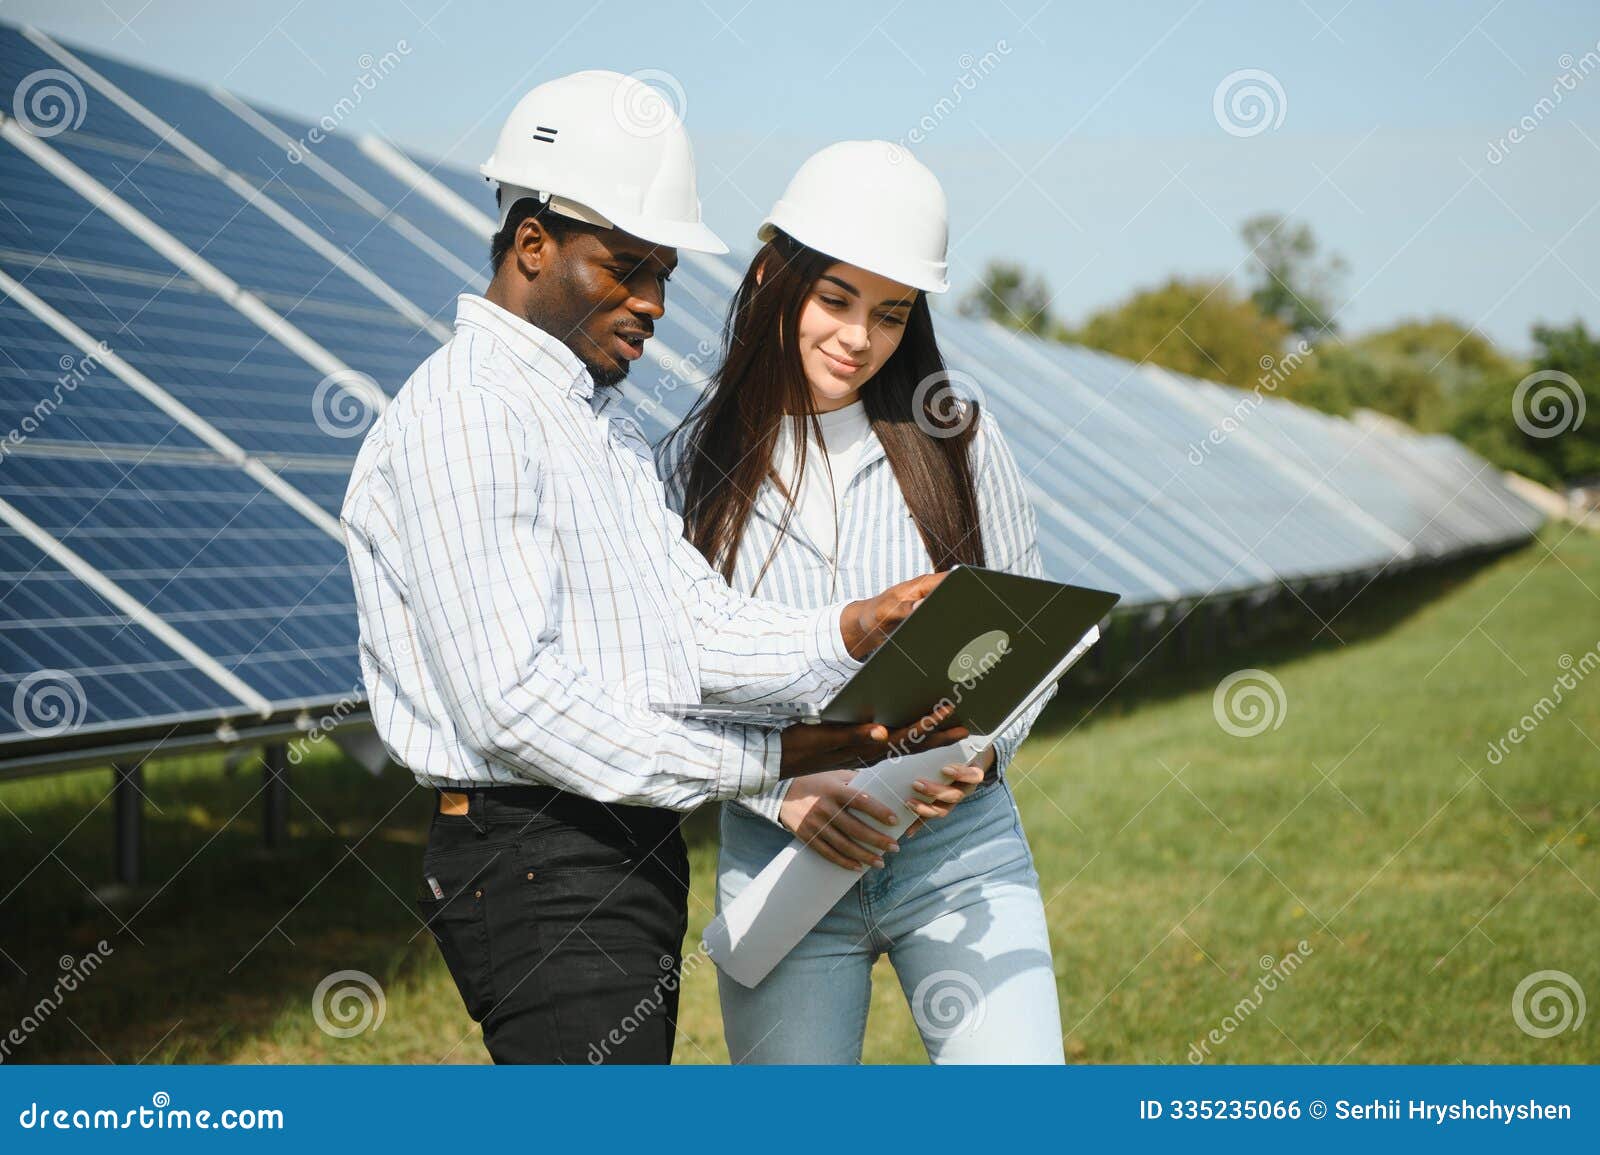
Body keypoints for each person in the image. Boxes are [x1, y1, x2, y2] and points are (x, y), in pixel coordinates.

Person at [340, 76, 967, 1065]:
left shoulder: (599, 425)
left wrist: (851, 629)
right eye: (626, 267)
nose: (654, 304)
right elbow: (512, 704)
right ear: (533, 243)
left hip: (611, 849)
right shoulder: (472, 413)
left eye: (664, 273)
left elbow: (688, 629)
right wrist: (778, 757)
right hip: (537, 857)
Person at [657, 140, 1066, 1064]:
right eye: (835, 299)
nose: (858, 338)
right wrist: (782, 791)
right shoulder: (691, 469)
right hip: (780, 867)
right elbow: (676, 677)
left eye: (890, 314)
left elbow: (1028, 631)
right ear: (771, 277)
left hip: (958, 854)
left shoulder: (957, 438)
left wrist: (982, 749)